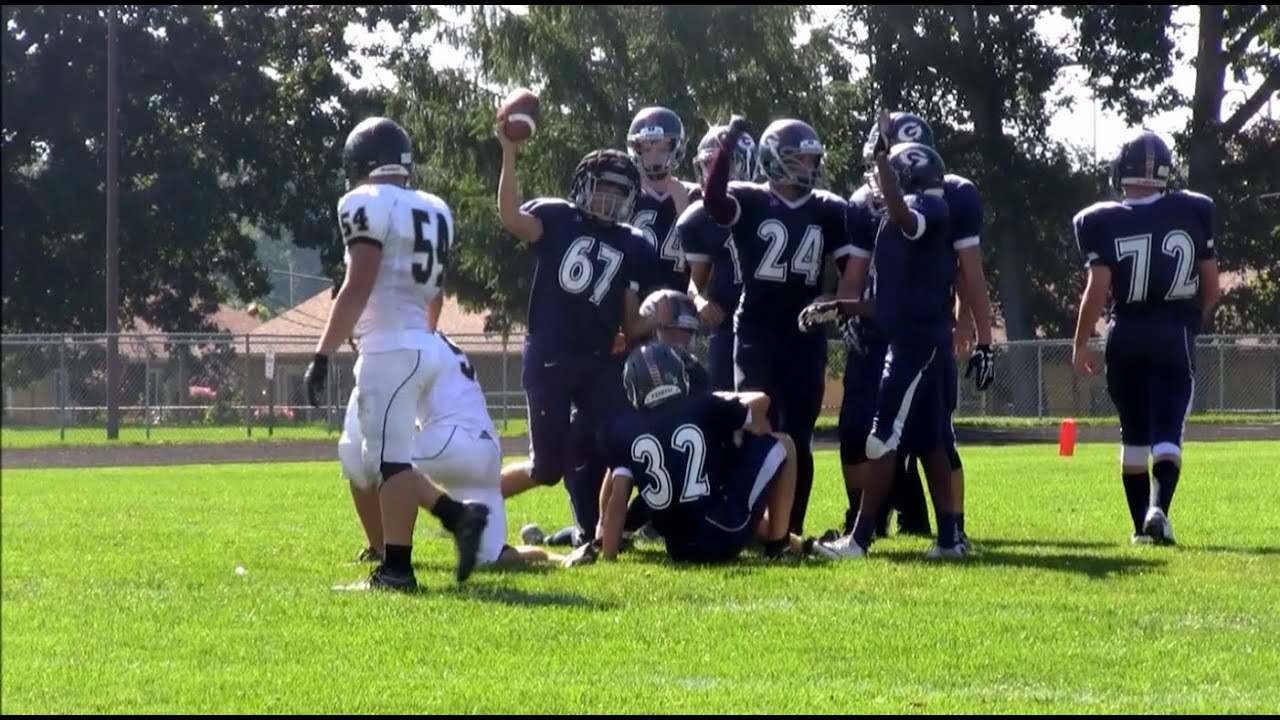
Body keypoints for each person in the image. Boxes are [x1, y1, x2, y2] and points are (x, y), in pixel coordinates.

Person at [306, 116, 489, 591]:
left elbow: (358, 282)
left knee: (389, 465)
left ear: (359, 162)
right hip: (421, 345)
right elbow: (435, 292)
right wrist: (422, 344)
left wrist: (322, 354)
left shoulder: (364, 200)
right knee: (389, 460)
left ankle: (397, 572)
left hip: (390, 350)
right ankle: (457, 517)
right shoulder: (434, 207)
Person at [493, 119, 669, 549]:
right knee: (546, 468)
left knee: (623, 440)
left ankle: (602, 531)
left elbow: (630, 324)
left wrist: (657, 318)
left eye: (618, 191)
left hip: (597, 361)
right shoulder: (557, 218)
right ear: (584, 185)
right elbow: (512, 218)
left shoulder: (633, 243)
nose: (609, 199)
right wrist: (509, 153)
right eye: (603, 187)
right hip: (550, 355)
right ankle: (468, 503)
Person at [695, 116, 862, 536]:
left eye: (812, 159)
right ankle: (748, 520)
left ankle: (790, 528)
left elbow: (851, 271)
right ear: (776, 159)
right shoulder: (751, 199)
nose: (809, 167)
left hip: (805, 335)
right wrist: (728, 143)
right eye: (800, 159)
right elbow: (713, 199)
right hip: (755, 331)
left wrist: (835, 299)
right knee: (752, 426)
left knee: (799, 435)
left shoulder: (828, 208)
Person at [1070, 128, 1219, 545]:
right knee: (1169, 430)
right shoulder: (1194, 209)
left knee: (1133, 433)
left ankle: (1140, 529)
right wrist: (1191, 322)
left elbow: (1096, 291)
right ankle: (1159, 509)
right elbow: (1212, 286)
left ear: (1123, 170)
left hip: (1126, 332)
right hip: (1172, 331)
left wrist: (1081, 341)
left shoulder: (1099, 219)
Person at [814, 135, 960, 560]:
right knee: (932, 440)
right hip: (917, 336)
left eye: (888, 179)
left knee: (881, 437)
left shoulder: (929, 208)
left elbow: (903, 215)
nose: (879, 188)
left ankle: (859, 540)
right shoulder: (895, 225)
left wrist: (882, 165)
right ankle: (949, 539)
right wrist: (841, 306)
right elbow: (892, 301)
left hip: (916, 344)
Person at [340, 329, 568, 569]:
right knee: (492, 559)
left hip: (452, 444)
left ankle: (382, 548)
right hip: (486, 451)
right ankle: (563, 560)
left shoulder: (399, 341)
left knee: (360, 457)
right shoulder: (435, 339)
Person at [570, 342, 800, 566]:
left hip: (677, 548)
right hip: (722, 532)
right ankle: (778, 546)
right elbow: (761, 413)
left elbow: (618, 499)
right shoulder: (703, 406)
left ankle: (780, 537)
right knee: (783, 443)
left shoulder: (628, 431)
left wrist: (609, 556)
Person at [681, 123, 757, 391]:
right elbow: (695, 282)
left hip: (767, 323)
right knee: (723, 406)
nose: (712, 171)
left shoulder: (766, 206)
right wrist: (700, 302)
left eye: (722, 163)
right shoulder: (697, 218)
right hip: (726, 325)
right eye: (707, 164)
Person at [626, 106, 700, 293]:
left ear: (676, 149)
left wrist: (685, 211)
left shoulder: (695, 195)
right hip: (634, 302)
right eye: (646, 149)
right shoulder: (625, 195)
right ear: (636, 150)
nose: (654, 157)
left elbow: (709, 262)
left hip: (685, 302)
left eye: (662, 148)